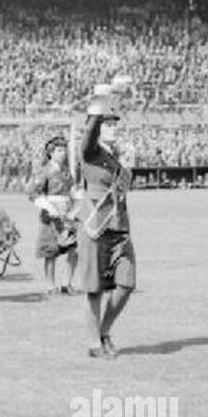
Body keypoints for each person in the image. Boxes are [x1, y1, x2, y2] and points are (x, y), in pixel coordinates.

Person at [76, 99, 136, 359]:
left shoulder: (115, 157)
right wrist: (96, 114)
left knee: (127, 283)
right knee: (95, 289)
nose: (113, 128)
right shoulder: (90, 153)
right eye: (108, 124)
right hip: (95, 228)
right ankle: (94, 343)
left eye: (114, 124)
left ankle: (104, 330)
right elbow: (88, 135)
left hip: (119, 226)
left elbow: (122, 189)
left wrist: (127, 165)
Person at [26, 135, 77, 296]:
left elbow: (72, 191)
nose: (63, 153)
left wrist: (75, 207)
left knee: (75, 249)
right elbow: (32, 193)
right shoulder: (44, 170)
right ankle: (50, 286)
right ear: (51, 153)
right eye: (59, 150)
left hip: (67, 215)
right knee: (51, 252)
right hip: (50, 216)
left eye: (64, 150)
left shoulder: (67, 171)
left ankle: (67, 284)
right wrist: (48, 207)